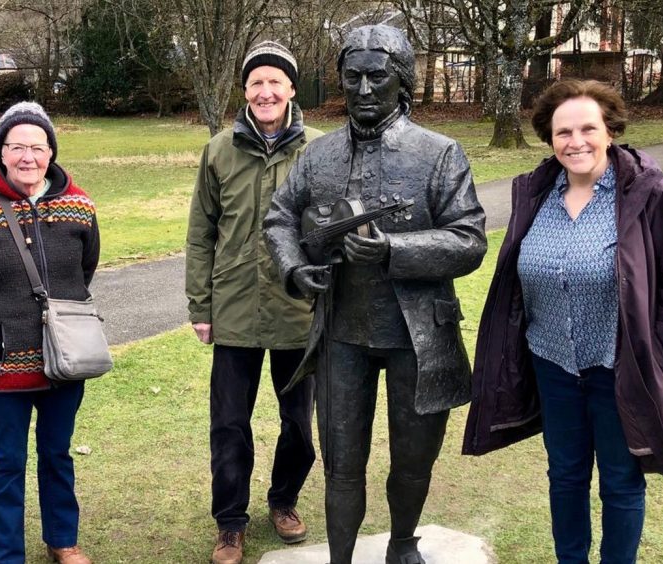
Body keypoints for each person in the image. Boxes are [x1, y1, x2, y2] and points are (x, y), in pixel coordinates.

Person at [462, 80, 663, 563]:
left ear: (610, 130)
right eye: (563, 132)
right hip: (553, 365)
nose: (575, 141)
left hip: (620, 370)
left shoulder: (650, 192)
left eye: (587, 128)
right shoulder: (537, 193)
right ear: (548, 138)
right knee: (566, 475)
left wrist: (662, 359)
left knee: (620, 479)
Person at [264, 25, 487, 564]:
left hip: (418, 334)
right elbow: (279, 219)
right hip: (342, 330)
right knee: (342, 461)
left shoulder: (439, 153)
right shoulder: (318, 157)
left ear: (401, 81)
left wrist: (393, 249)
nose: (363, 89)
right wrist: (295, 268)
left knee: (413, 459)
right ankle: (340, 556)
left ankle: (403, 544)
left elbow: (469, 238)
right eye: (353, 76)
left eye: (377, 76)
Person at [0, 101, 99, 564]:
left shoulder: (79, 204)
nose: (27, 156)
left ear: (51, 151)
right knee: (6, 464)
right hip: (0, 363)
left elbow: (84, 270)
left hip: (64, 361)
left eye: (37, 146)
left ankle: (63, 542)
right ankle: (7, 555)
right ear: (1, 151)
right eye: (17, 147)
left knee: (57, 455)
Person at [184, 41, 322, 564]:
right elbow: (201, 232)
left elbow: (331, 230)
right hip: (236, 311)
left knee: (299, 425)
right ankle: (230, 523)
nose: (265, 92)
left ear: (291, 88)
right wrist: (201, 305)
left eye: (275, 82)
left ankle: (283, 502)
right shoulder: (220, 149)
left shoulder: (318, 149)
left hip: (298, 311)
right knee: (229, 425)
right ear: (245, 92)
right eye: (255, 83)